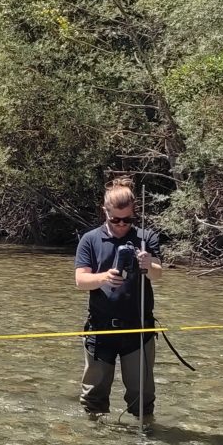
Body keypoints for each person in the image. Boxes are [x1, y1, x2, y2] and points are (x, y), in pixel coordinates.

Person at [74, 177, 164, 427]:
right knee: (94, 394)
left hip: (138, 330)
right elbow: (80, 281)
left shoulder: (146, 238)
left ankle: (146, 430)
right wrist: (103, 278)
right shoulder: (90, 240)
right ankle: (94, 434)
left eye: (128, 220)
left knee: (142, 395)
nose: (122, 225)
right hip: (100, 330)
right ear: (105, 212)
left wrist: (149, 265)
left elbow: (158, 273)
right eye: (116, 219)